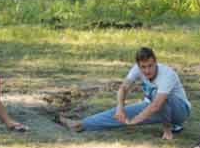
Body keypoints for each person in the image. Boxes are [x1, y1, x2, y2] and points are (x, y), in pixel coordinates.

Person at [60, 46, 192, 139]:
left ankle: (168, 131)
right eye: (143, 67)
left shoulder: (167, 74)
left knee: (158, 98)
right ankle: (81, 124)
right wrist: (120, 108)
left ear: (155, 62)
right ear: (138, 65)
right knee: (119, 114)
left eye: (150, 66)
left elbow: (157, 105)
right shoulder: (137, 69)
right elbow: (123, 88)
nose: (147, 71)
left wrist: (134, 121)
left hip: (180, 110)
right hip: (154, 106)